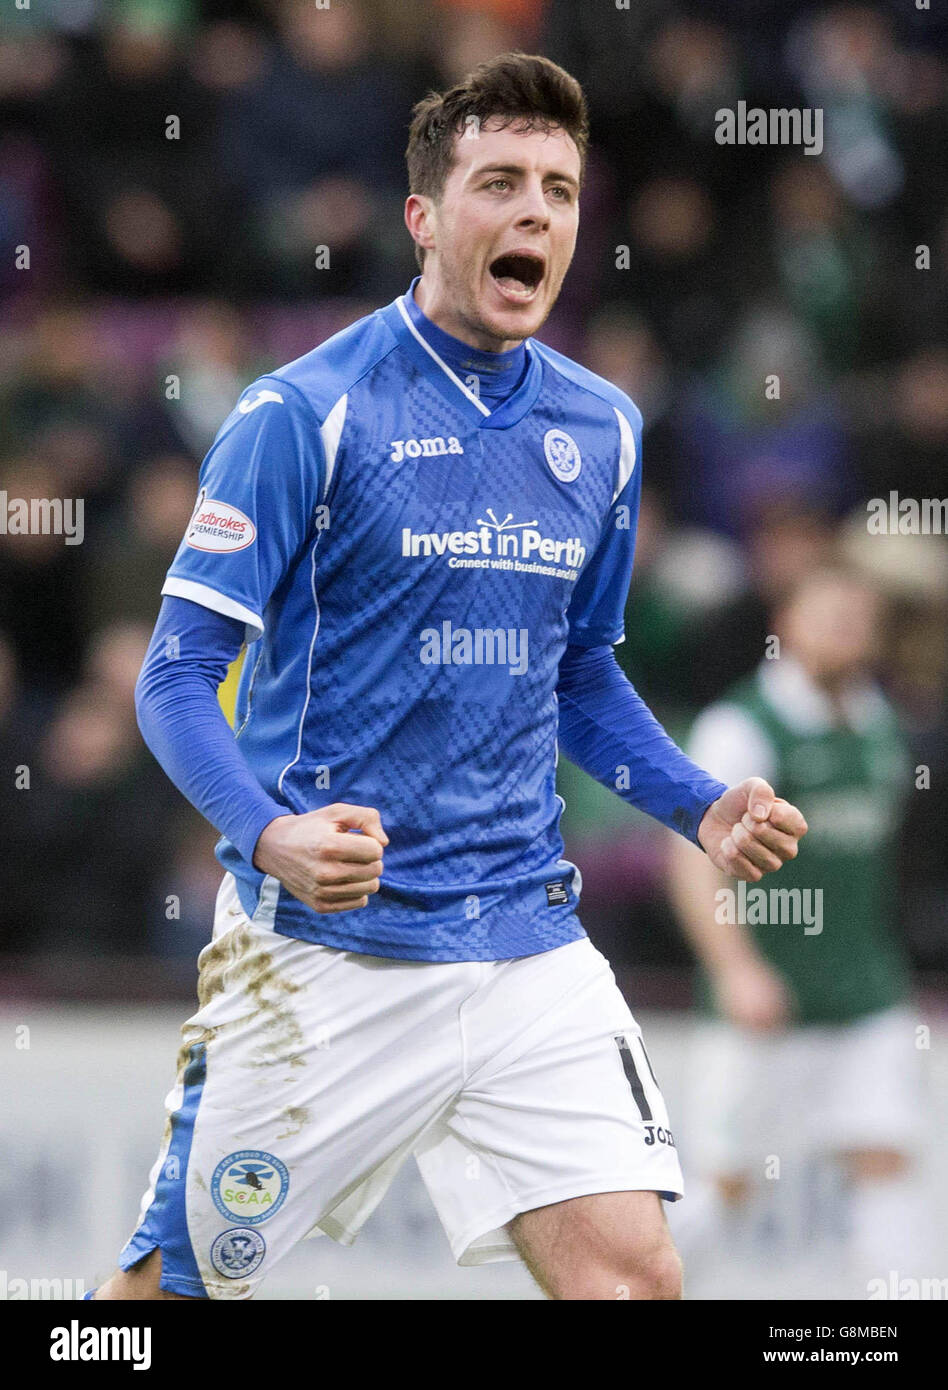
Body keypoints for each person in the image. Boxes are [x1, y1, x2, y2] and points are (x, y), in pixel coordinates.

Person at [91, 53, 805, 1302]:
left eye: (562, 190)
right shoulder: (298, 415)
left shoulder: (602, 428)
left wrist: (701, 803)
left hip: (527, 942)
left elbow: (577, 672)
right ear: (424, 218)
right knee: (160, 1304)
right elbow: (175, 674)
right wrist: (268, 837)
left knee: (636, 1282)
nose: (537, 213)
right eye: (501, 184)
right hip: (327, 952)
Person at [667, 566, 929, 1291]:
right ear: (788, 621)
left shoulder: (879, 721)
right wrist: (735, 968)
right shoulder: (742, 725)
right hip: (764, 1005)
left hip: (865, 995)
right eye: (829, 615)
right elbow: (691, 861)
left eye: (859, 618)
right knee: (725, 1187)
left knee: (885, 1161)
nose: (847, 631)